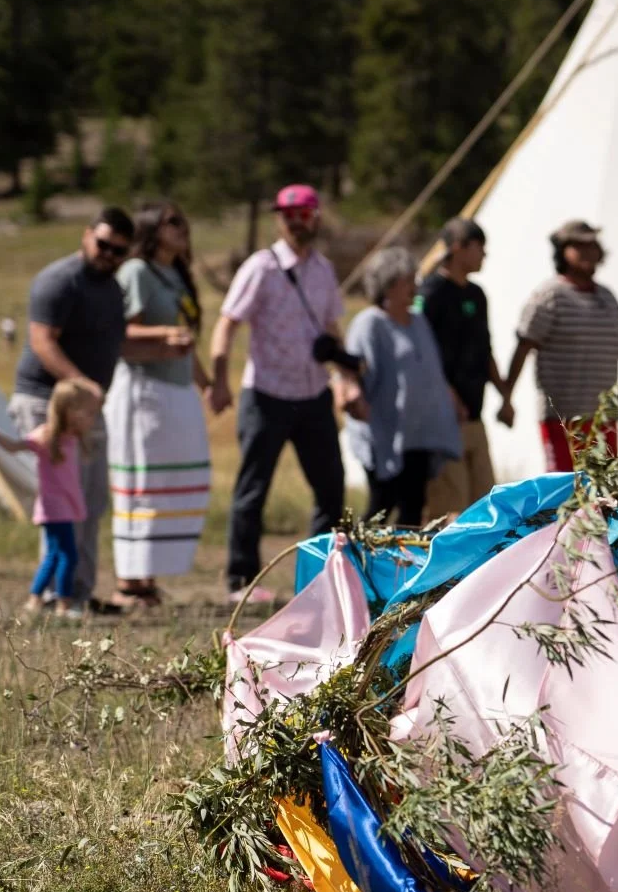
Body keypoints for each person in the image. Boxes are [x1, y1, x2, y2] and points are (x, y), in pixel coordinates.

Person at [208, 184, 365, 600]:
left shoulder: (324, 270)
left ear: (315, 217)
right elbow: (227, 321)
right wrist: (221, 377)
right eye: (288, 215)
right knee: (252, 488)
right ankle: (240, 582)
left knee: (331, 487)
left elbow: (332, 329)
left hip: (313, 393)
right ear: (279, 219)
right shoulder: (261, 267)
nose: (296, 222)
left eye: (304, 214)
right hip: (266, 394)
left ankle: (322, 579)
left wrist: (346, 378)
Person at [10, 207, 150, 616]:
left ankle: (79, 594)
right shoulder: (59, 281)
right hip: (46, 403)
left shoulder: (111, 289)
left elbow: (117, 343)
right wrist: (84, 385)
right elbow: (42, 342)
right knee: (60, 503)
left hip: (87, 411)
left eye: (118, 251)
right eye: (103, 244)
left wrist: (170, 351)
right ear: (87, 235)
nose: (108, 254)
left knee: (88, 501)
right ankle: (54, 594)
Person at [502, 220, 618, 472]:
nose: (588, 252)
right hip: (562, 417)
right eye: (579, 246)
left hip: (603, 418)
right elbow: (524, 347)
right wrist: (507, 398)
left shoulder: (606, 298)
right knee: (565, 491)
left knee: (603, 490)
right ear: (563, 251)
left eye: (592, 245)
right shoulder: (550, 297)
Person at [105, 201, 212, 609]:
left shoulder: (176, 275)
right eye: (172, 222)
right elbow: (122, 327)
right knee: (141, 480)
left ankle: (145, 579)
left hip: (175, 388)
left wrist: (207, 384)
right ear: (150, 229)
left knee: (165, 482)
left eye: (183, 221)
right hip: (142, 389)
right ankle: (127, 581)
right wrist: (165, 334)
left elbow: (184, 339)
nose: (182, 228)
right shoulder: (136, 272)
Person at [344, 249, 463, 526]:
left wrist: (451, 400)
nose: (415, 286)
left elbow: (433, 369)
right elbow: (352, 374)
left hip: (418, 435)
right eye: (408, 280)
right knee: (381, 505)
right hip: (384, 434)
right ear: (388, 284)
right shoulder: (370, 323)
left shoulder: (418, 321)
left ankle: (404, 567)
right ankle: (360, 563)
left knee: (413, 507)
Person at [0, 380, 101, 619]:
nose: (90, 417)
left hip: (67, 506)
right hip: (54, 508)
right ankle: (63, 604)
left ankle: (35, 600)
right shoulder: (45, 436)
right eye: (85, 411)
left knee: (54, 555)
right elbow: (12, 446)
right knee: (68, 555)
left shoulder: (73, 437)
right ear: (67, 409)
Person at [417, 218, 506, 521]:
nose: (484, 255)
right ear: (458, 248)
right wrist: (447, 396)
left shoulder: (477, 295)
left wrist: (505, 395)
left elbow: (485, 350)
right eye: (480, 248)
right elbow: (422, 357)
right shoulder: (430, 294)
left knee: (485, 504)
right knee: (449, 511)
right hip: (441, 420)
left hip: (474, 415)